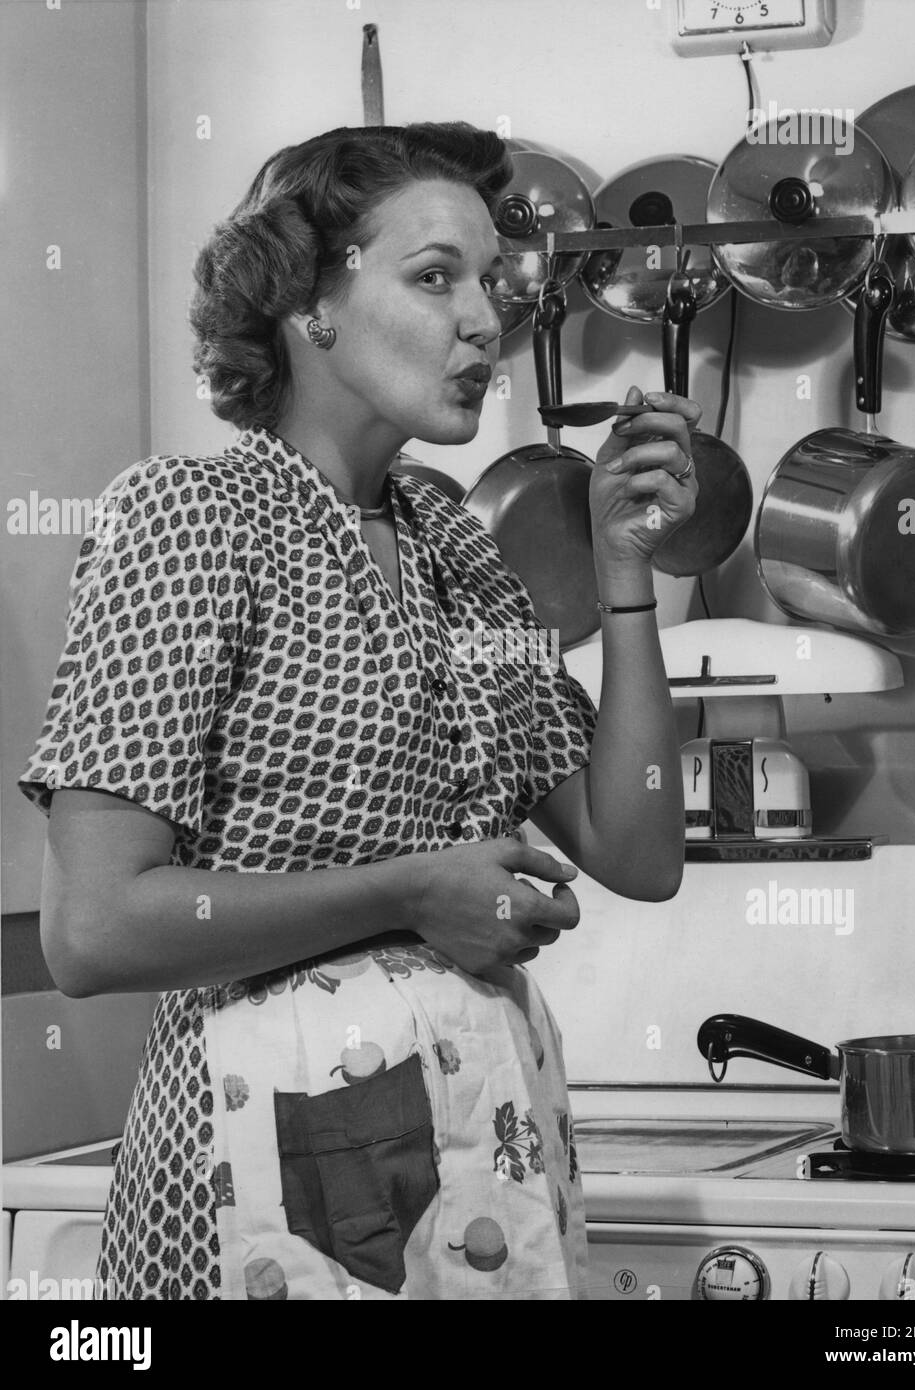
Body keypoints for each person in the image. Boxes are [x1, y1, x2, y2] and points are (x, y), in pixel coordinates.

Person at [19, 123, 699, 1300]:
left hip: (479, 1143)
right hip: (253, 1166)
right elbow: (91, 929)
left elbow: (636, 848)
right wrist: (407, 890)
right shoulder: (188, 521)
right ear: (305, 301)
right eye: (434, 276)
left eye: (491, 281)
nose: (486, 318)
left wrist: (622, 564)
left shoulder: (459, 550)